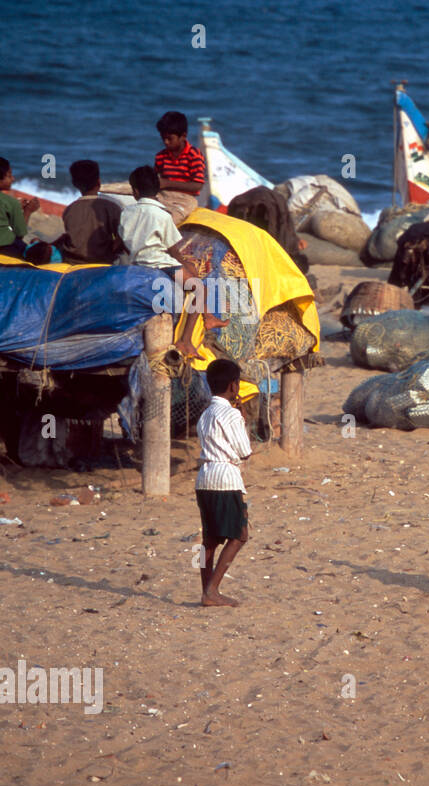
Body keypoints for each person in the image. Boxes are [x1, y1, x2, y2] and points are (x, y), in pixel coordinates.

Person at [119, 165, 216, 359]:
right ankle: (186, 340)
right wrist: (187, 264)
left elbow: (124, 242)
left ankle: (208, 318)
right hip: (161, 263)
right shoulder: (162, 215)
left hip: (137, 262)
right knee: (199, 288)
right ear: (157, 190)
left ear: (135, 192)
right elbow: (172, 249)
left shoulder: (126, 213)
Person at [195, 359, 252, 607]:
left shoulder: (205, 414)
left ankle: (206, 590)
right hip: (225, 479)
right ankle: (212, 591)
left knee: (209, 539)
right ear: (234, 385)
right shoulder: (231, 414)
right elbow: (245, 450)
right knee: (239, 535)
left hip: (204, 478)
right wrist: (243, 420)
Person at [55, 160, 124, 264]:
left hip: (71, 262)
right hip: (101, 263)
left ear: (75, 184)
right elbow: (121, 239)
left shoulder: (69, 209)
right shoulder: (112, 207)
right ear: (99, 182)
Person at [154, 110, 206, 225]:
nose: (166, 142)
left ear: (183, 136)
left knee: (171, 221)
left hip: (186, 199)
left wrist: (167, 183)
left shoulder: (194, 155)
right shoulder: (160, 156)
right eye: (163, 138)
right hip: (164, 196)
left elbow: (197, 185)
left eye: (169, 138)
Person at [0, 157, 40, 258]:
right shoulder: (11, 202)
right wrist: (27, 211)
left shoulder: (10, 203)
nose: (13, 179)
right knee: (36, 245)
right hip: (6, 250)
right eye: (9, 175)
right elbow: (20, 233)